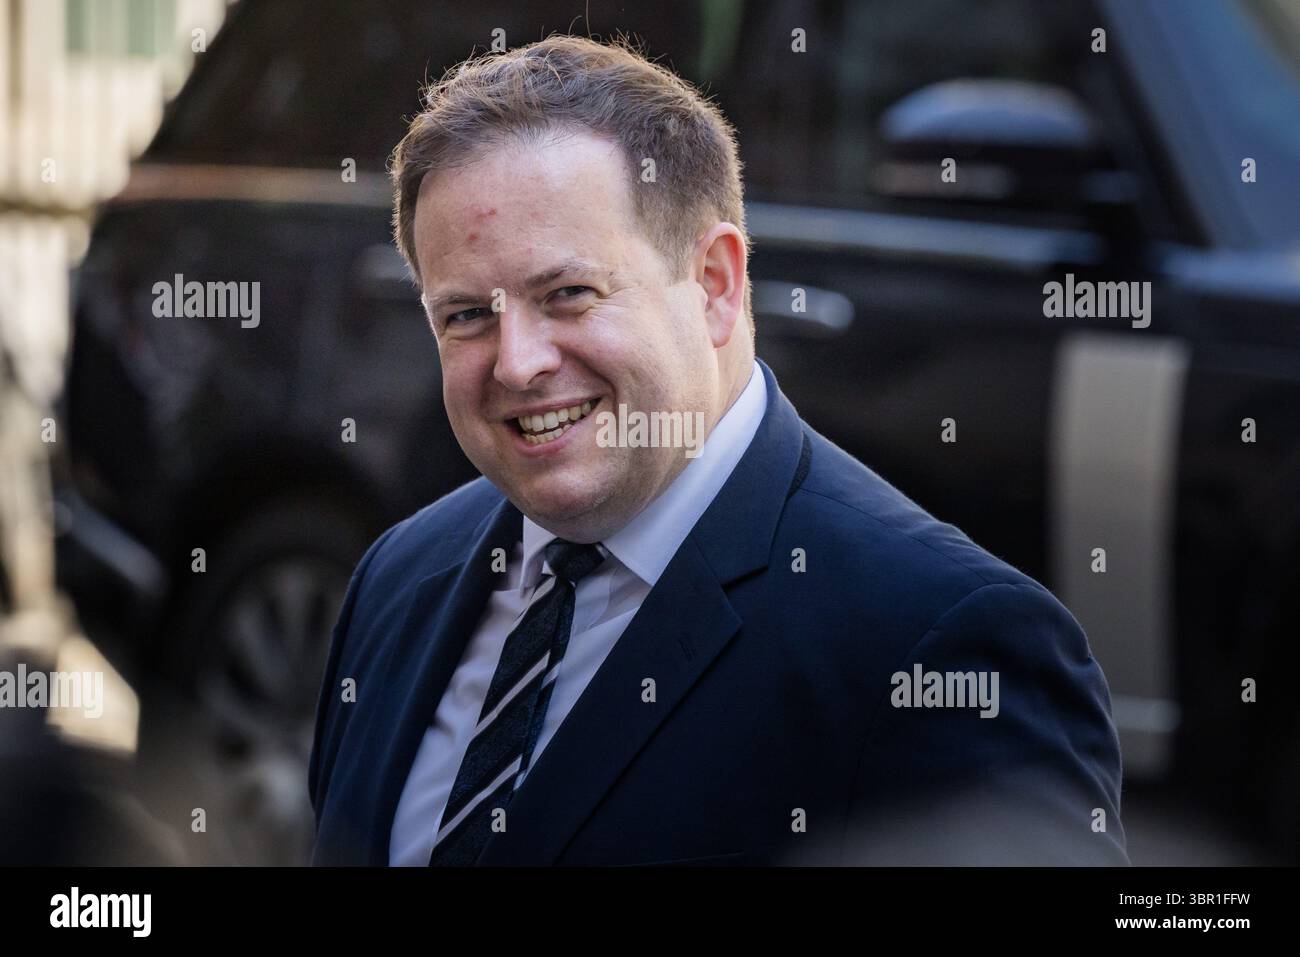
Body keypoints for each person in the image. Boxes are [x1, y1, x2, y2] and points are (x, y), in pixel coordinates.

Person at [308, 35, 1126, 866]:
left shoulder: (939, 641)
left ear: (715, 285)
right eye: (466, 316)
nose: (518, 362)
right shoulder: (398, 581)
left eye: (569, 294)